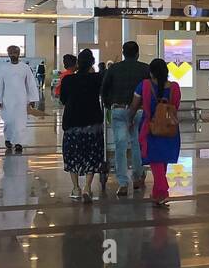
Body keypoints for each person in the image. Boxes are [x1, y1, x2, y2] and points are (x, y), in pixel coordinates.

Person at [130, 58, 181, 208]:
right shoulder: (175, 87)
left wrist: (129, 119)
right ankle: (157, 194)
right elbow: (175, 106)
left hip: (150, 128)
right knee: (162, 161)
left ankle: (163, 192)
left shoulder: (144, 85)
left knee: (155, 161)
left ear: (151, 72)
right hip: (169, 128)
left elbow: (134, 104)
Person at [101, 40, 151, 196]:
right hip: (140, 111)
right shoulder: (145, 69)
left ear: (123, 53)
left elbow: (104, 90)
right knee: (137, 144)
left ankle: (122, 183)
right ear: (137, 53)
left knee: (120, 146)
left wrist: (111, 105)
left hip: (119, 110)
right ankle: (137, 177)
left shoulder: (114, 69)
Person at [59, 49, 104, 202]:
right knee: (91, 154)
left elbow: (63, 100)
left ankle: (76, 188)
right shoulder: (97, 78)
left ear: (78, 63)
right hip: (93, 122)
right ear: (92, 63)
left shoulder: (68, 80)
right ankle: (88, 187)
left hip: (73, 122)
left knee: (73, 155)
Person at [0, 46, 39, 154]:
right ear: (8, 54)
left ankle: (19, 143)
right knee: (8, 121)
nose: (13, 54)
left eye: (15, 52)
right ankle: (8, 139)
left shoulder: (25, 68)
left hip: (21, 100)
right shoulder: (3, 68)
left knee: (20, 122)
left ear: (19, 54)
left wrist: (32, 99)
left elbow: (31, 84)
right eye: (11, 52)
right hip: (7, 100)